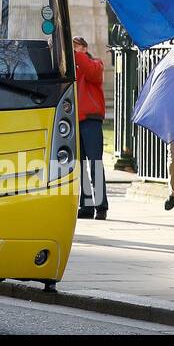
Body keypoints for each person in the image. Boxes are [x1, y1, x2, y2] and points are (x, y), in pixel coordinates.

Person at [73, 37, 108, 220]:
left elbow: (92, 73)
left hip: (91, 120)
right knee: (80, 165)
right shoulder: (72, 68)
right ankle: (86, 205)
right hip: (74, 120)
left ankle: (101, 205)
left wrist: (78, 56)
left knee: (95, 163)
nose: (73, 50)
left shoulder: (95, 63)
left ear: (85, 48)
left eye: (76, 46)